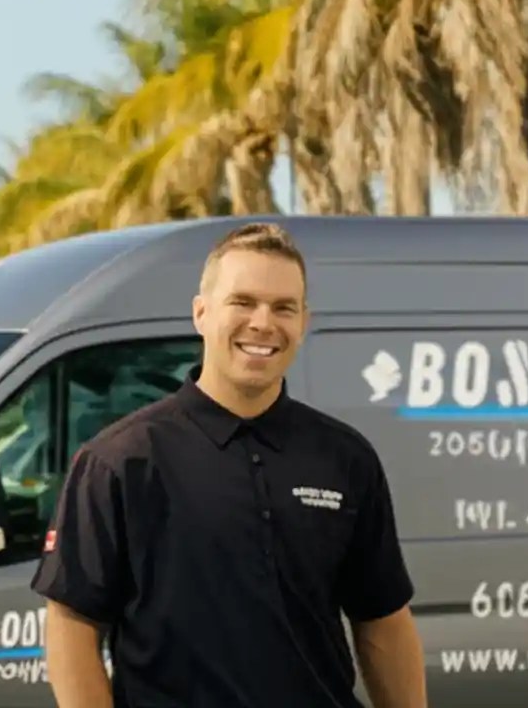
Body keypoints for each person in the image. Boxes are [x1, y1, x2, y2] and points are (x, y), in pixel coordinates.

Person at [30, 222, 426, 708]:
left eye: (284, 307)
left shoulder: (345, 459)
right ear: (201, 313)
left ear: (304, 322)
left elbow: (382, 621)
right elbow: (71, 627)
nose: (263, 323)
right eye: (243, 302)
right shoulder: (120, 461)